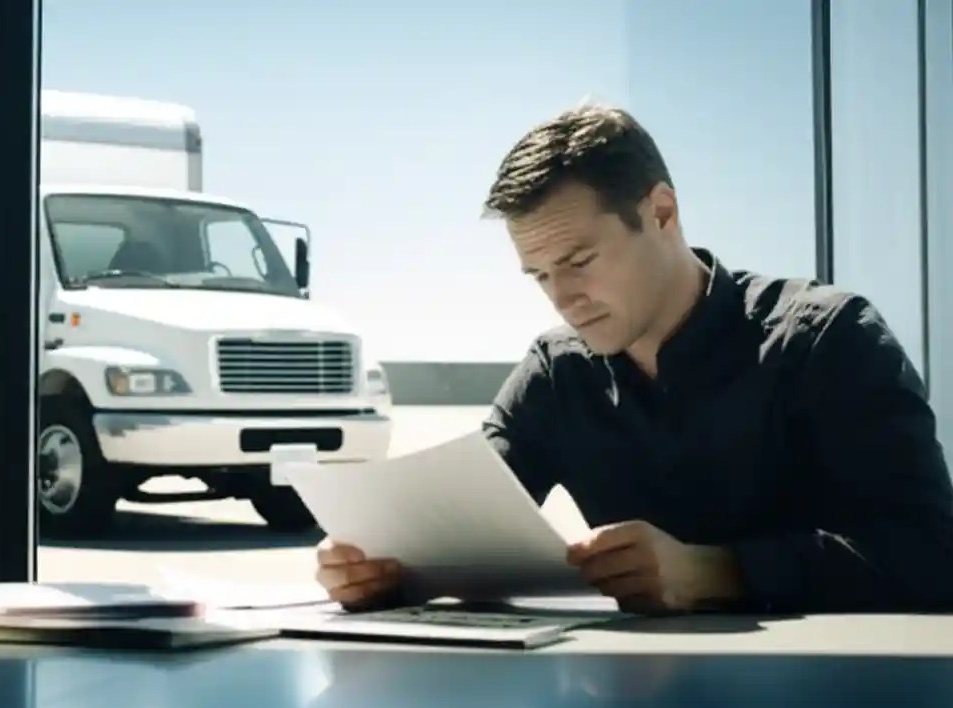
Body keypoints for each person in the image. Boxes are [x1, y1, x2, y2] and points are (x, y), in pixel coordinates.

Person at [315, 103, 953, 615]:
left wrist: (717, 572)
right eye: (539, 275)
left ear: (662, 213)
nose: (563, 298)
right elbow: (461, 528)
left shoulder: (827, 339)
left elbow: (931, 554)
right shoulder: (557, 373)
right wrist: (382, 570)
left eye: (579, 261)